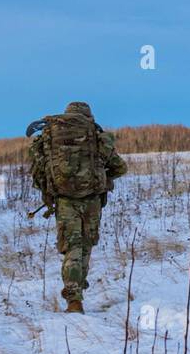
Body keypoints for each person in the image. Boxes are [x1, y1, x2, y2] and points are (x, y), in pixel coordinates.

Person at [27, 102, 127, 313]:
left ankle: (74, 298)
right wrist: (101, 177)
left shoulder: (51, 137)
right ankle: (77, 289)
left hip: (64, 200)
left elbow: (37, 171)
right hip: (91, 200)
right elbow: (120, 167)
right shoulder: (96, 137)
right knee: (85, 245)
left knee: (72, 247)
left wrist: (50, 188)